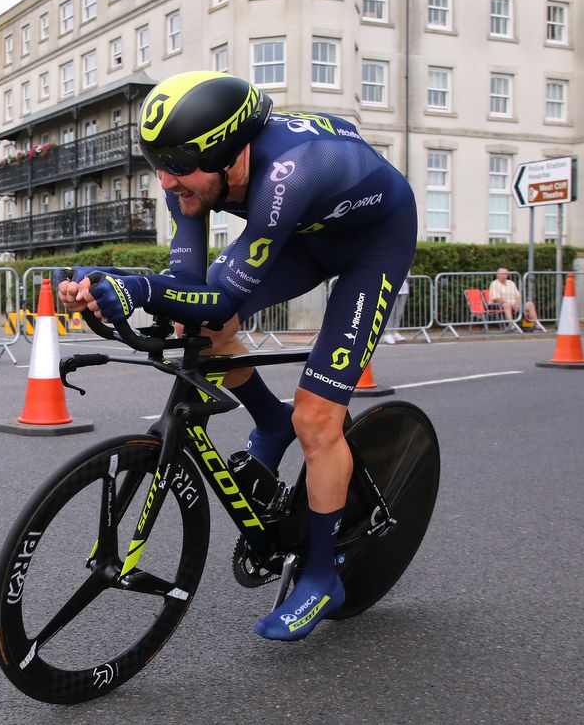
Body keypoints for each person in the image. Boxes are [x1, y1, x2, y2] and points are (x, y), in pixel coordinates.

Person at [58, 71, 417, 642]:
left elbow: (220, 292)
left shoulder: (288, 174)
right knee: (205, 321)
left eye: (176, 165)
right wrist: (107, 284)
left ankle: (323, 576)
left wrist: (138, 289)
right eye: (156, 162)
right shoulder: (192, 178)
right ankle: (268, 423)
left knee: (317, 419)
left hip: (373, 243)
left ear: (233, 154)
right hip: (308, 233)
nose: (165, 179)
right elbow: (185, 282)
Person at [488, 267, 539, 332]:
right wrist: (512, 305)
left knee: (530, 304)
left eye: (505, 274)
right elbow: (496, 298)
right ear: (497, 275)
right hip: (501, 304)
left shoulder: (511, 283)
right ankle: (511, 325)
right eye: (501, 274)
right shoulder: (494, 284)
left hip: (515, 304)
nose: (503, 275)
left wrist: (517, 304)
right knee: (507, 305)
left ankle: (537, 324)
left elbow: (518, 296)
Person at [383, 275, 410, 343]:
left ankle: (395, 332)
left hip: (404, 289)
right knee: (390, 313)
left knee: (399, 313)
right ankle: (387, 333)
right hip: (392, 288)